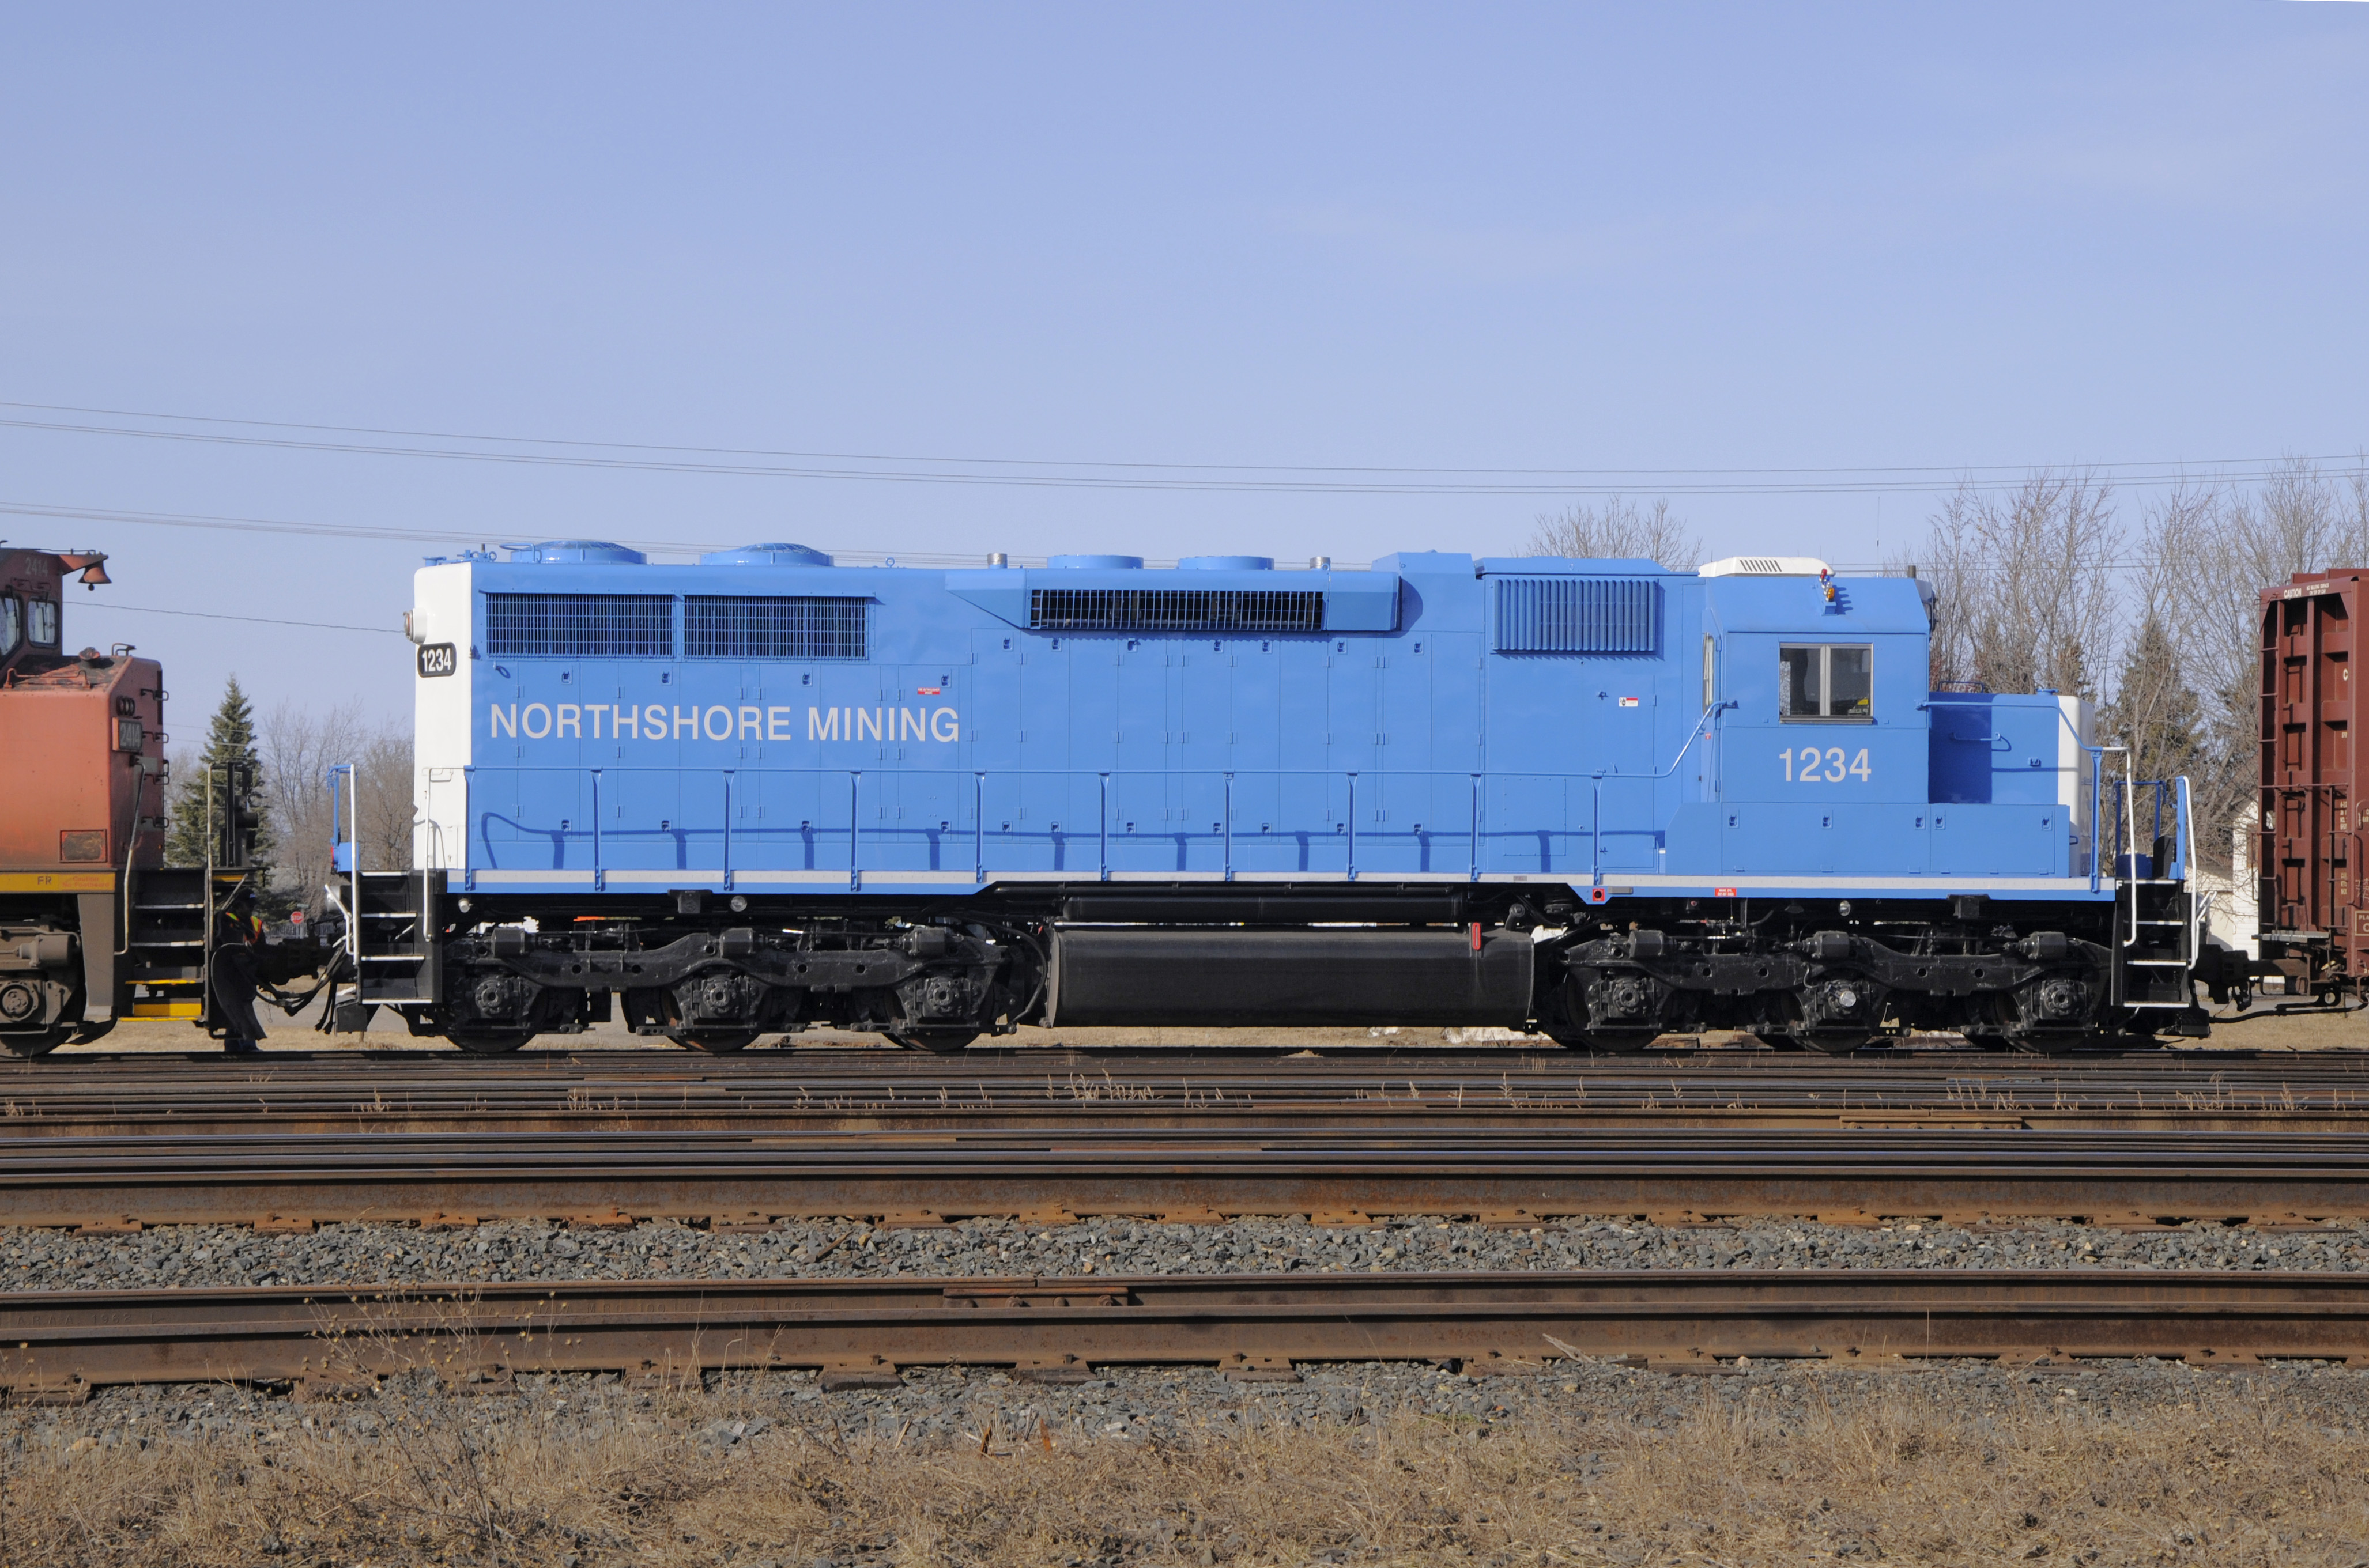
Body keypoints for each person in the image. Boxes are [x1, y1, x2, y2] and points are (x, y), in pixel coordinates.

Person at [209, 886, 267, 1055]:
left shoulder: (256, 923)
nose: (252, 909)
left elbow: (262, 947)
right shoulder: (225, 921)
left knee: (243, 1007)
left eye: (253, 906)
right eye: (249, 906)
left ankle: (246, 1045)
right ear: (237, 906)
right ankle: (237, 1045)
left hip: (248, 974)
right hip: (231, 974)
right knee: (235, 1009)